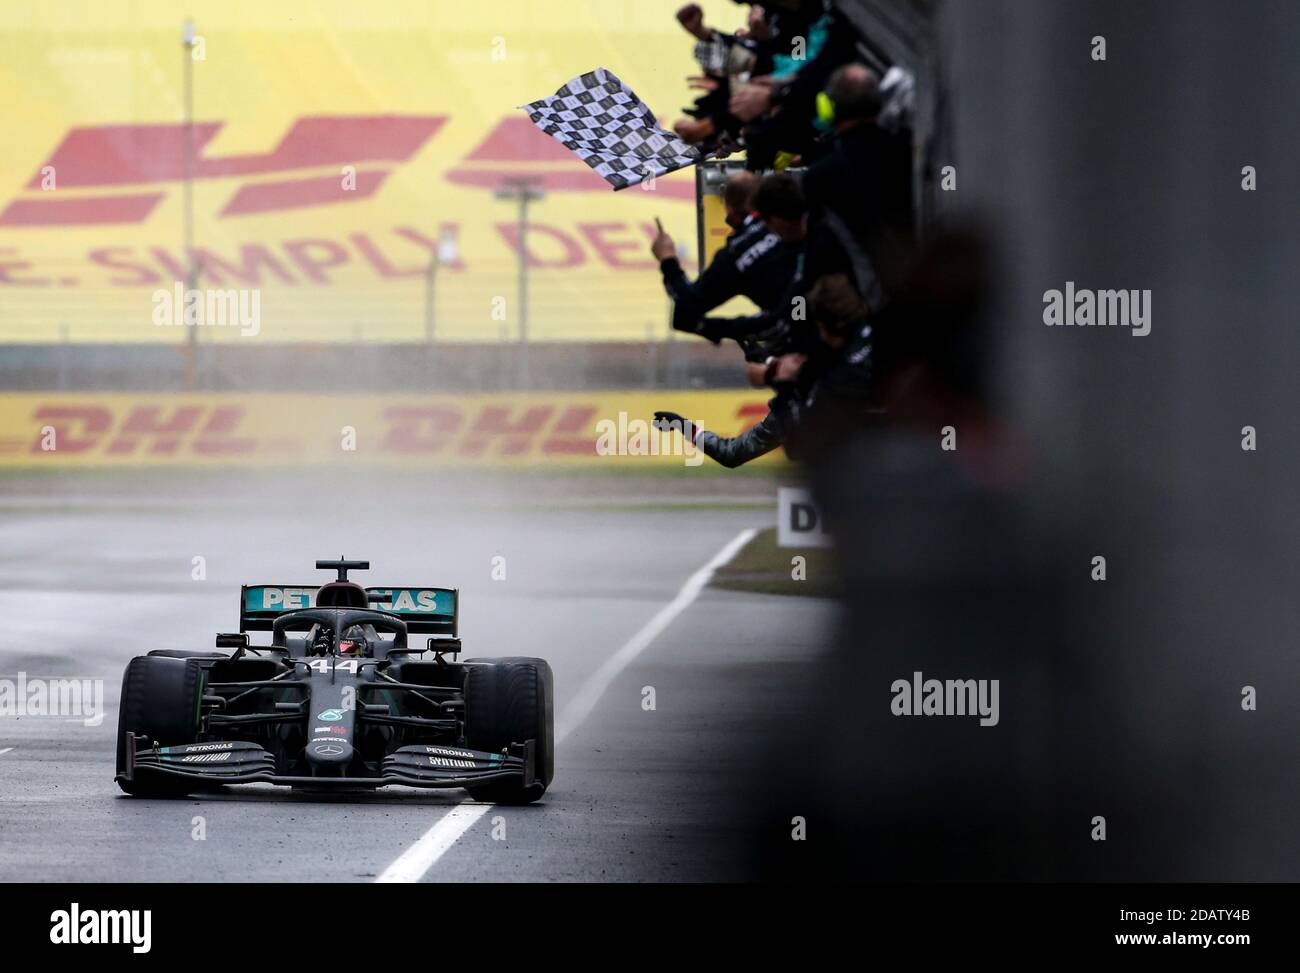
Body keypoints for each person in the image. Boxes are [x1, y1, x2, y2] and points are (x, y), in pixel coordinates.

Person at [651, 171, 802, 340]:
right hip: (820, 316)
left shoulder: (733, 255)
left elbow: (688, 305)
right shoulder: (804, 213)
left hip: (802, 329)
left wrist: (667, 259)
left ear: (729, 209)